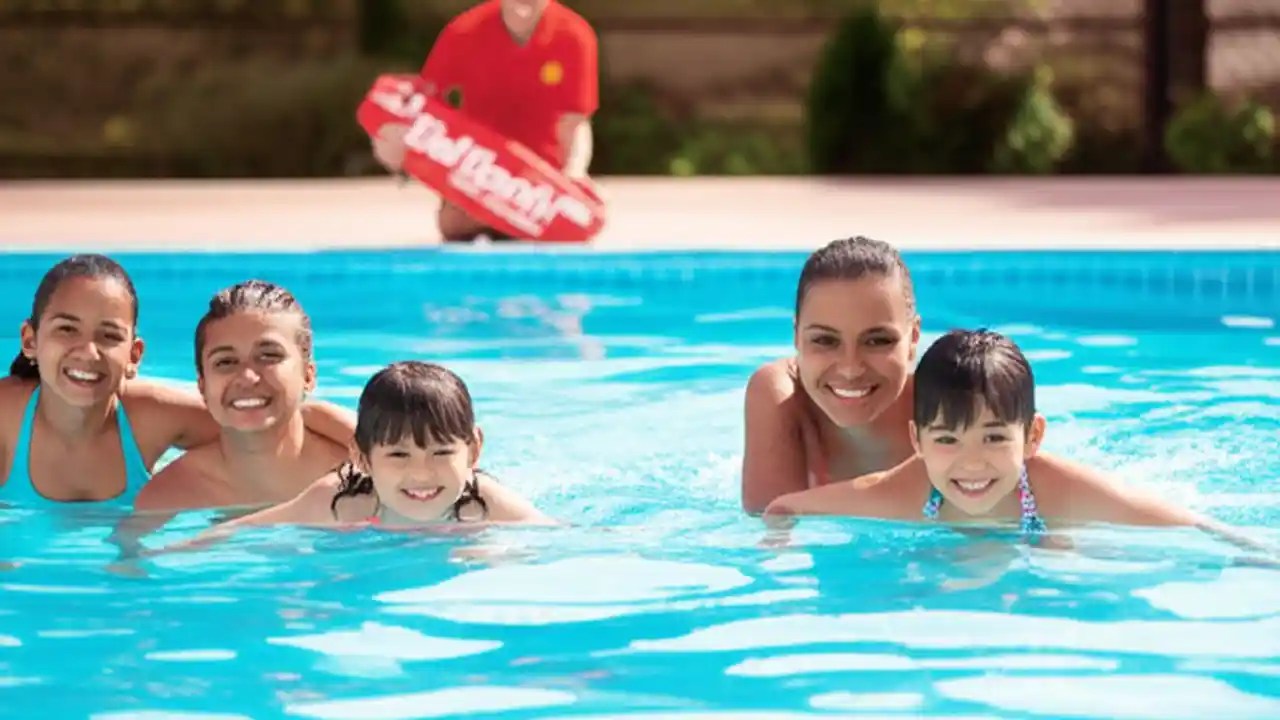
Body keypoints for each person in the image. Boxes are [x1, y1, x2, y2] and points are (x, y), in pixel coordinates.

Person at [764, 330, 1221, 535]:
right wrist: (777, 548)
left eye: (995, 437)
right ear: (916, 441)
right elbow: (785, 507)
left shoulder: (1058, 489)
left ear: (1032, 436)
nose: (973, 462)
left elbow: (1189, 524)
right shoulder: (899, 493)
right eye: (947, 439)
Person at [0, 254, 355, 506]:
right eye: (66, 330)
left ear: (134, 355)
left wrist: (364, 445)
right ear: (30, 340)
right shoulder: (6, 418)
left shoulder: (152, 415)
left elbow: (265, 419)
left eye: (109, 335)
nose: (88, 352)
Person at [217, 361, 548, 529]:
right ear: (362, 458)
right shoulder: (341, 502)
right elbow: (246, 530)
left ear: (473, 450)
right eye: (399, 454)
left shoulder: (483, 505)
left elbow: (560, 540)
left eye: (442, 452)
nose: (422, 473)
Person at [370, 0, 600, 242]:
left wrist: (574, 176)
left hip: (541, 182)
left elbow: (575, 121)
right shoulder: (465, 30)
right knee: (453, 224)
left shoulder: (574, 35)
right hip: (480, 172)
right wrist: (402, 155)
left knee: (574, 226)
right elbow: (426, 102)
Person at [741, 236, 921, 513]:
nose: (850, 368)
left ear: (913, 339)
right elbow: (772, 526)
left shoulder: (954, 400)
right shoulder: (781, 395)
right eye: (825, 341)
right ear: (797, 338)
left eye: (877, 341)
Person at [133, 281, 350, 511]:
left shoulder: (367, 473)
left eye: (268, 356)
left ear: (308, 376)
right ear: (202, 387)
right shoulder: (169, 495)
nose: (247, 377)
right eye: (225, 362)